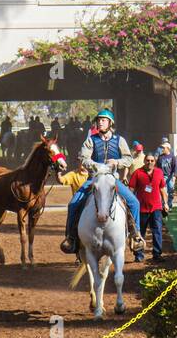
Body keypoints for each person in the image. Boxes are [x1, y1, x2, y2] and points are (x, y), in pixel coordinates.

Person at [60, 109, 145, 256]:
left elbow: (128, 159)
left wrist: (117, 162)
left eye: (103, 120)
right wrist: (95, 165)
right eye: (99, 120)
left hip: (112, 179)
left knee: (134, 202)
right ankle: (71, 238)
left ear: (110, 123)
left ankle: (135, 235)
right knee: (73, 204)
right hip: (94, 179)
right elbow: (83, 158)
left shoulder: (120, 140)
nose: (100, 122)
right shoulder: (91, 140)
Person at [127, 150, 166, 263]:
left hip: (156, 208)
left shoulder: (159, 172)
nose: (150, 162)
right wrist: (129, 205)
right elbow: (131, 190)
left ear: (155, 162)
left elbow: (162, 189)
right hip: (141, 209)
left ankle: (157, 254)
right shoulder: (137, 173)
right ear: (144, 161)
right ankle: (139, 255)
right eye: (148, 160)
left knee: (157, 231)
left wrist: (166, 203)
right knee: (140, 232)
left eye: (152, 161)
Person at [156, 140, 177, 207]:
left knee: (171, 191)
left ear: (168, 148)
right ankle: (164, 205)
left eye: (163, 148)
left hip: (170, 176)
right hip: (162, 176)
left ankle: (169, 204)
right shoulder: (160, 157)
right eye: (162, 148)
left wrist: (174, 176)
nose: (162, 149)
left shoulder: (172, 157)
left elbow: (175, 167)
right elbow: (157, 167)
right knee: (163, 191)